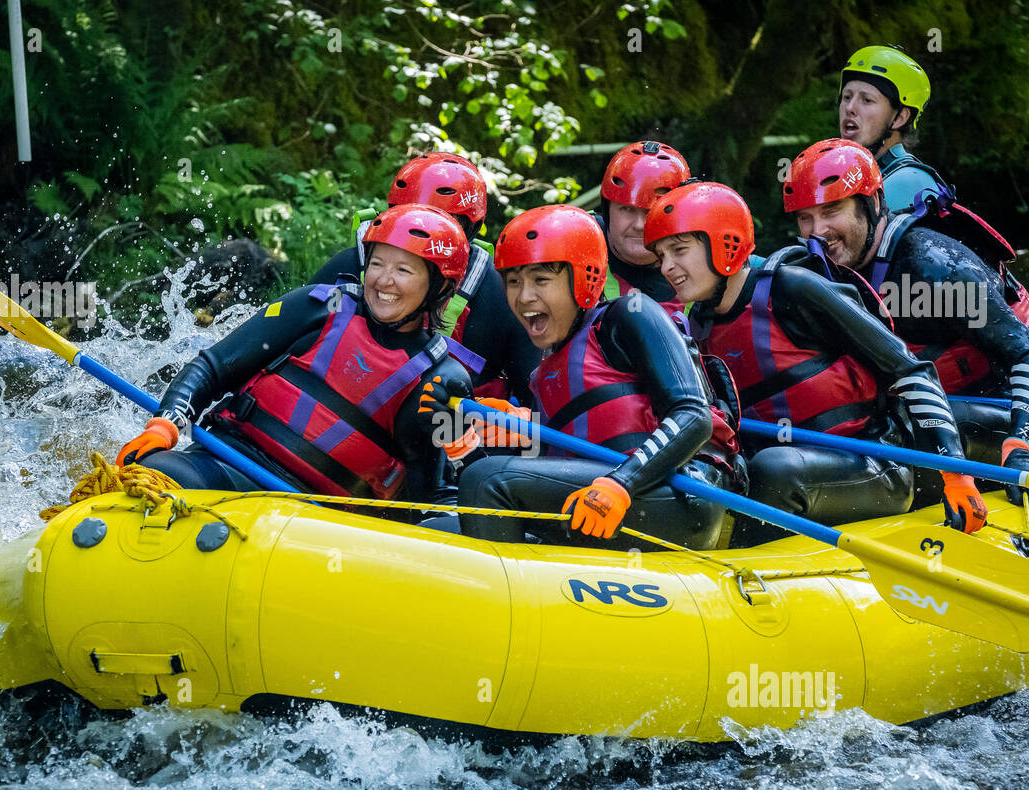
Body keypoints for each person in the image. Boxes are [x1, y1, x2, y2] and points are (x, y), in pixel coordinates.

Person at [644, 180, 988, 539]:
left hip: (875, 465)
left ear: (725, 243)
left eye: (679, 250)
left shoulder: (793, 288)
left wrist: (955, 473)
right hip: (786, 473)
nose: (667, 267)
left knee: (775, 468)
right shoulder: (698, 324)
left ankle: (748, 568)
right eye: (661, 257)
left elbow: (912, 371)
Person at [423, 204, 742, 550]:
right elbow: (539, 471)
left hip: (677, 494)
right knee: (441, 524)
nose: (524, 296)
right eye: (513, 281)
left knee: (488, 479)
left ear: (585, 278)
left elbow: (693, 417)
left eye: (541, 279)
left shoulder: (628, 315)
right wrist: (462, 438)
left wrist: (622, 484)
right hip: (599, 501)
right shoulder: (542, 373)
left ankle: (515, 600)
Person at [783, 138, 1029, 504]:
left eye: (832, 210)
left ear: (874, 204)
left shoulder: (932, 266)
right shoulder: (825, 271)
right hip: (948, 413)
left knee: (907, 426)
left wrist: (1020, 445)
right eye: (805, 218)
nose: (817, 231)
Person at [116, 204, 479, 506]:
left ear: (440, 286)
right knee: (160, 473)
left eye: (404, 270)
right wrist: (166, 423)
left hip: (313, 520)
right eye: (378, 263)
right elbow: (212, 367)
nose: (384, 280)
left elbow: (430, 497)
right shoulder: (316, 306)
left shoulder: (441, 378)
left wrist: (465, 451)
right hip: (224, 463)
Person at [310, 151, 538, 404]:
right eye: (409, 220)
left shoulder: (499, 298)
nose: (419, 241)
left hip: (442, 428)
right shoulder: (352, 266)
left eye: (439, 227)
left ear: (468, 230)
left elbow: (535, 403)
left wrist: (514, 418)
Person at [837, 45, 946, 213]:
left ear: (900, 118)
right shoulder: (855, 174)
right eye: (847, 97)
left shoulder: (909, 182)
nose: (849, 107)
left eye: (867, 100)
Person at [597, 141, 693, 312]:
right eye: (626, 209)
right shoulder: (574, 238)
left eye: (652, 211)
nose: (639, 225)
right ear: (607, 211)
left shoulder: (704, 257)